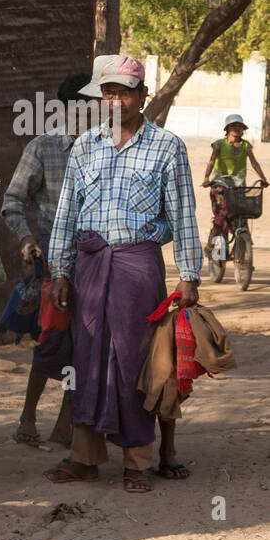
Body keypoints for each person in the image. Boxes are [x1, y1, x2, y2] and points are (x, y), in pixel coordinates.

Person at [42, 55, 202, 494]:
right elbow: (66, 215)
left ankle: (138, 462)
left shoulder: (167, 147)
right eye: (109, 92)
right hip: (90, 266)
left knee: (136, 358)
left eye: (125, 92)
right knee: (89, 357)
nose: (117, 100)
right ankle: (85, 459)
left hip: (138, 265)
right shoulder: (84, 147)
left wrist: (189, 273)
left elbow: (184, 215)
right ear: (100, 97)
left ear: (142, 96)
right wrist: (60, 270)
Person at [1, 71, 93, 447]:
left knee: (84, 345)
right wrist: (26, 239)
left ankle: (67, 422)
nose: (89, 117)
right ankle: (28, 415)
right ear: (66, 110)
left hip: (94, 259)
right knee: (52, 340)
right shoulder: (43, 148)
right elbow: (12, 202)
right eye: (81, 110)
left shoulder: (108, 150)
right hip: (53, 259)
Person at [200, 113, 267, 257]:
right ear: (227, 128)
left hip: (238, 186)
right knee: (222, 213)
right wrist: (206, 177)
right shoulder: (219, 144)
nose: (237, 129)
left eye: (239, 126)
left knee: (242, 217)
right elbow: (211, 161)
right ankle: (212, 244)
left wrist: (263, 178)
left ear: (243, 129)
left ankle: (242, 256)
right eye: (233, 126)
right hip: (220, 183)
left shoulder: (245, 145)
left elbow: (254, 163)